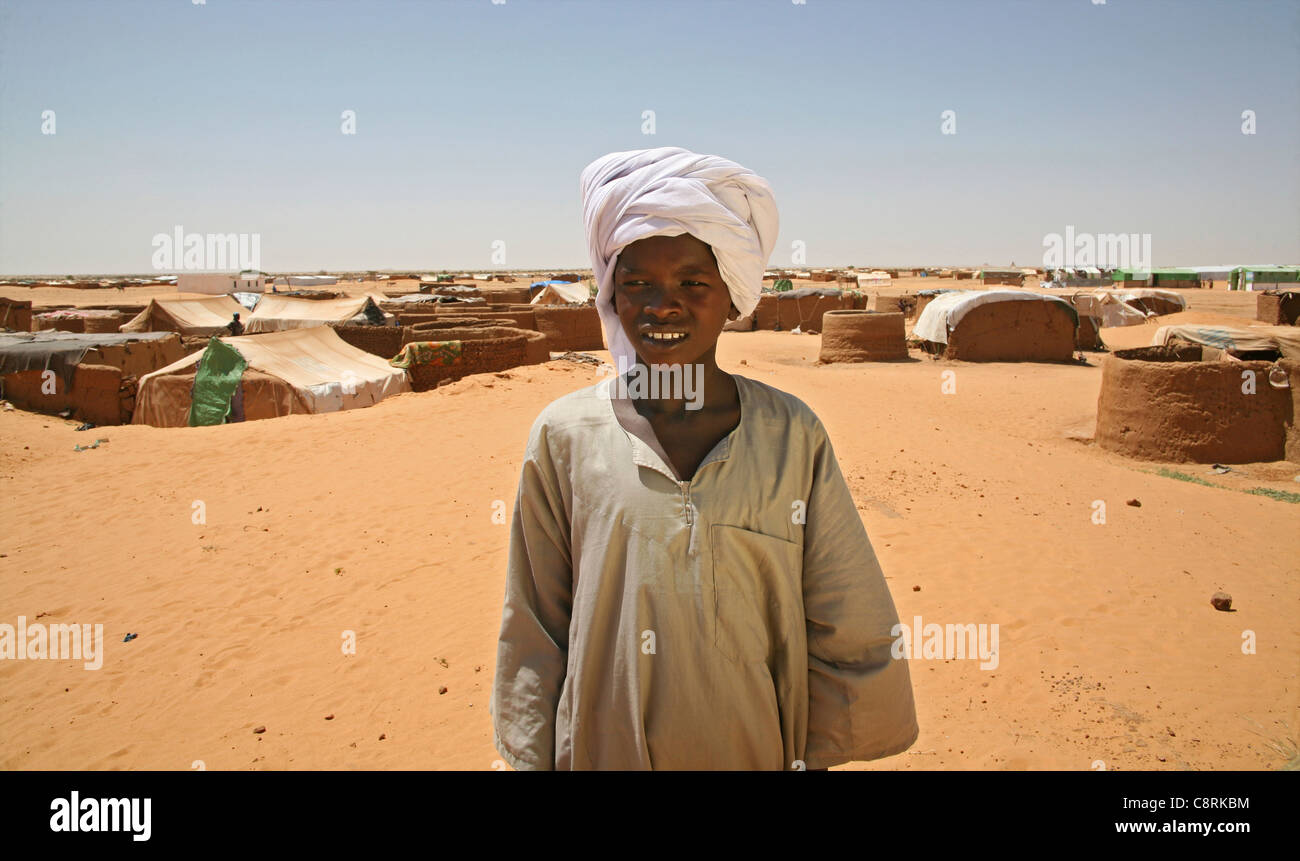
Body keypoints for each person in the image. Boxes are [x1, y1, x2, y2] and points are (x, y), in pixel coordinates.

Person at [490, 147, 918, 770]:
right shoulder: (564, 437)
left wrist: (813, 753)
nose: (662, 305)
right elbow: (535, 624)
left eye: (692, 282)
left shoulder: (789, 435)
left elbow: (844, 614)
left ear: (731, 295)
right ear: (613, 294)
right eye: (637, 283)